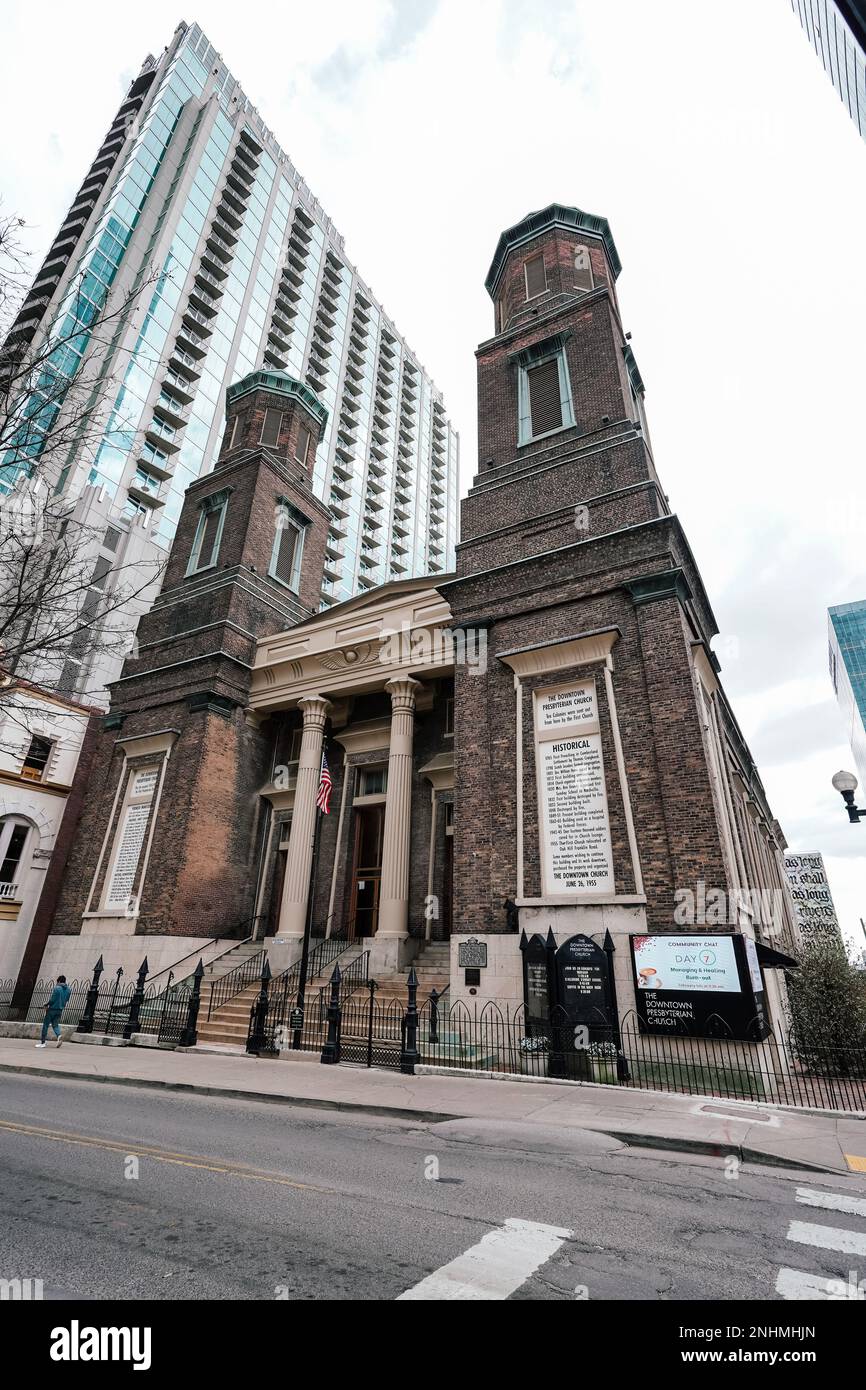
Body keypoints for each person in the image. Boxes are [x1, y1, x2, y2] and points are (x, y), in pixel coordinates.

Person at [36, 977, 71, 1048]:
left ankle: (43, 1043)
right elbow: (66, 1000)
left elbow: (52, 1000)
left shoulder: (57, 988)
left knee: (45, 1025)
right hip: (60, 1010)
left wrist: (46, 1004)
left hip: (52, 1009)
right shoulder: (69, 990)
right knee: (55, 1025)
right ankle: (59, 1036)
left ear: (59, 981)